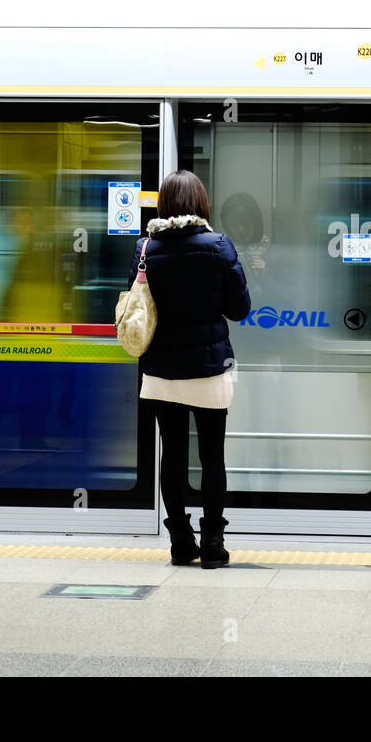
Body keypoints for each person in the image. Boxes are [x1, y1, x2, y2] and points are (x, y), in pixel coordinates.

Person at [129, 170, 251, 568]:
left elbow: (138, 305)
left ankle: (181, 542)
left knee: (174, 454)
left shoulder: (146, 249)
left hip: (161, 369)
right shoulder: (219, 246)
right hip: (209, 367)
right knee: (212, 455)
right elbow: (239, 308)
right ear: (201, 203)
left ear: (163, 204)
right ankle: (213, 544)